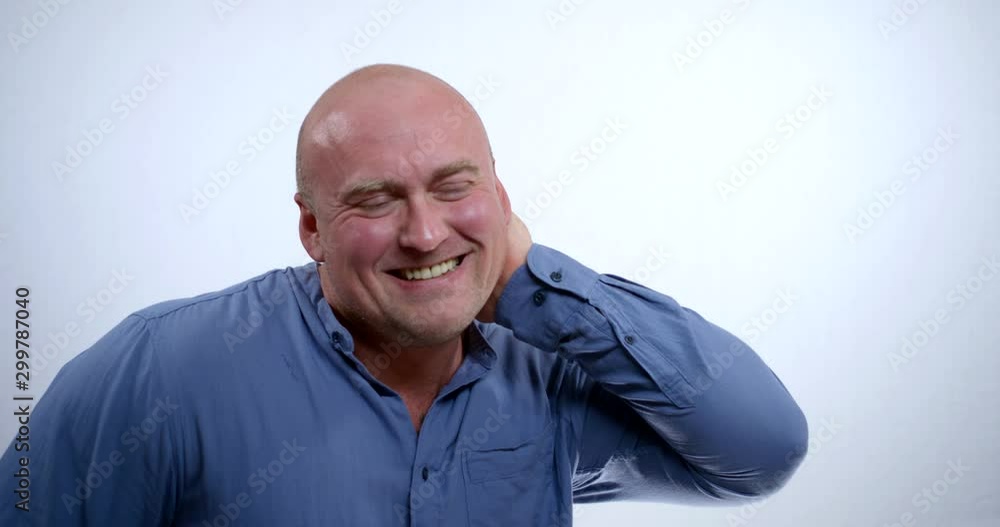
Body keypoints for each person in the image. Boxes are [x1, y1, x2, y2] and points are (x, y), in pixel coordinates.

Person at [0, 64, 808, 526]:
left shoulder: (549, 380)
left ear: (501, 195)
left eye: (455, 187)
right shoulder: (162, 366)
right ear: (312, 227)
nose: (424, 232)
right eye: (376, 199)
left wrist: (529, 279)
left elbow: (759, 448)